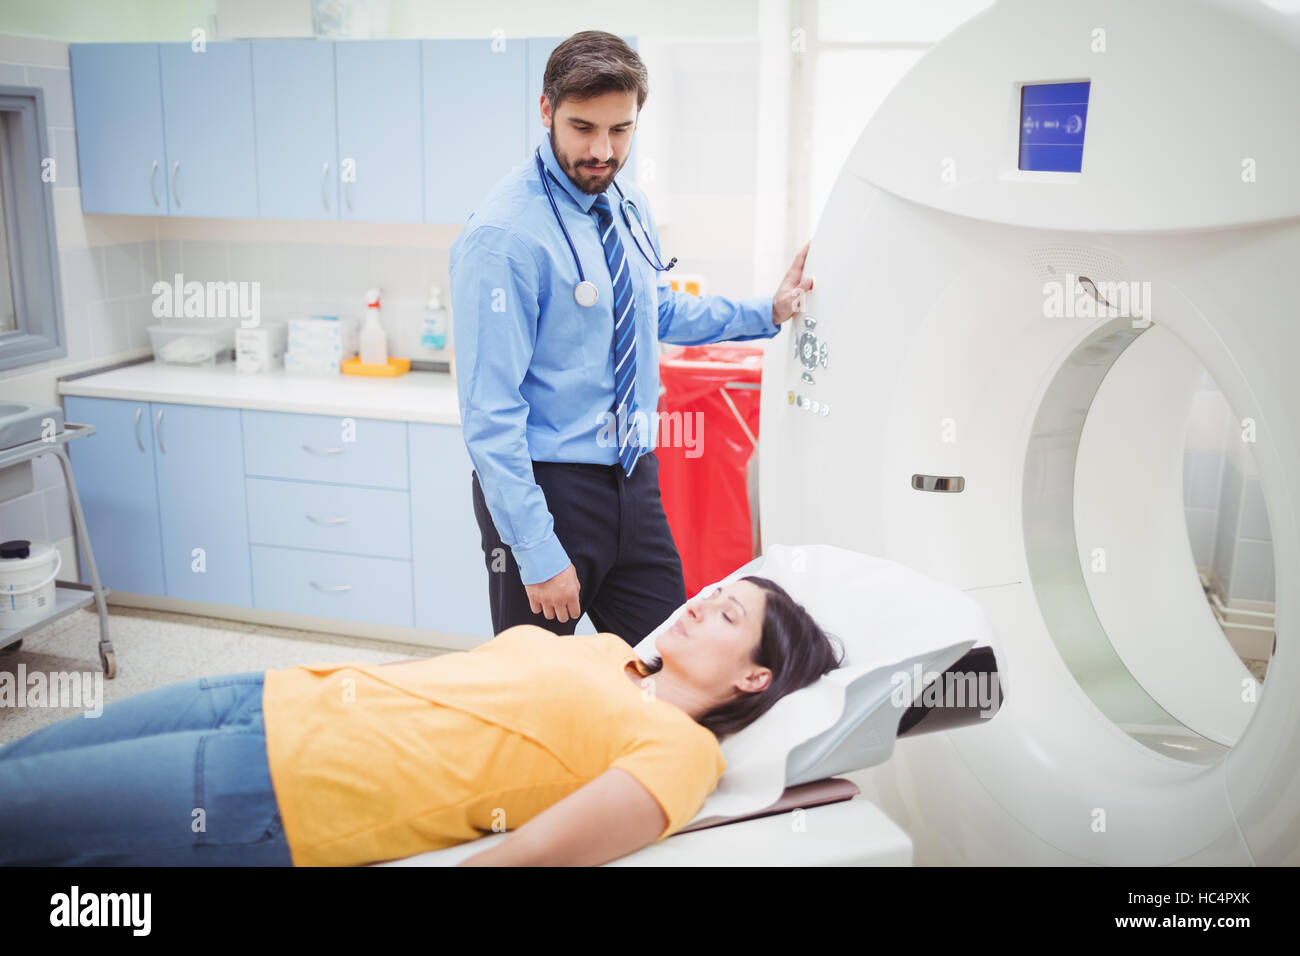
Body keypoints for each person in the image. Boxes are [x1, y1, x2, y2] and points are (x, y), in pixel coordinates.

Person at [0, 577, 842, 867]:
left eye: (727, 616)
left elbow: (535, 854)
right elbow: (452, 675)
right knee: (26, 765)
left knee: (22, 806)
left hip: (281, 788)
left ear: (755, 676)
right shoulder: (609, 649)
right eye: (712, 595)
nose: (702, 605)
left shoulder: (680, 750)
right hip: (267, 696)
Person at [451, 30, 814, 646]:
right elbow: (489, 416)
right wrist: (538, 552)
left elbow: (654, 313)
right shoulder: (504, 237)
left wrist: (767, 311)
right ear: (546, 111)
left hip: (635, 478)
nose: (602, 150)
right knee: (539, 691)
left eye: (620, 130)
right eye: (583, 127)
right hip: (548, 485)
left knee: (671, 665)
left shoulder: (627, 204)